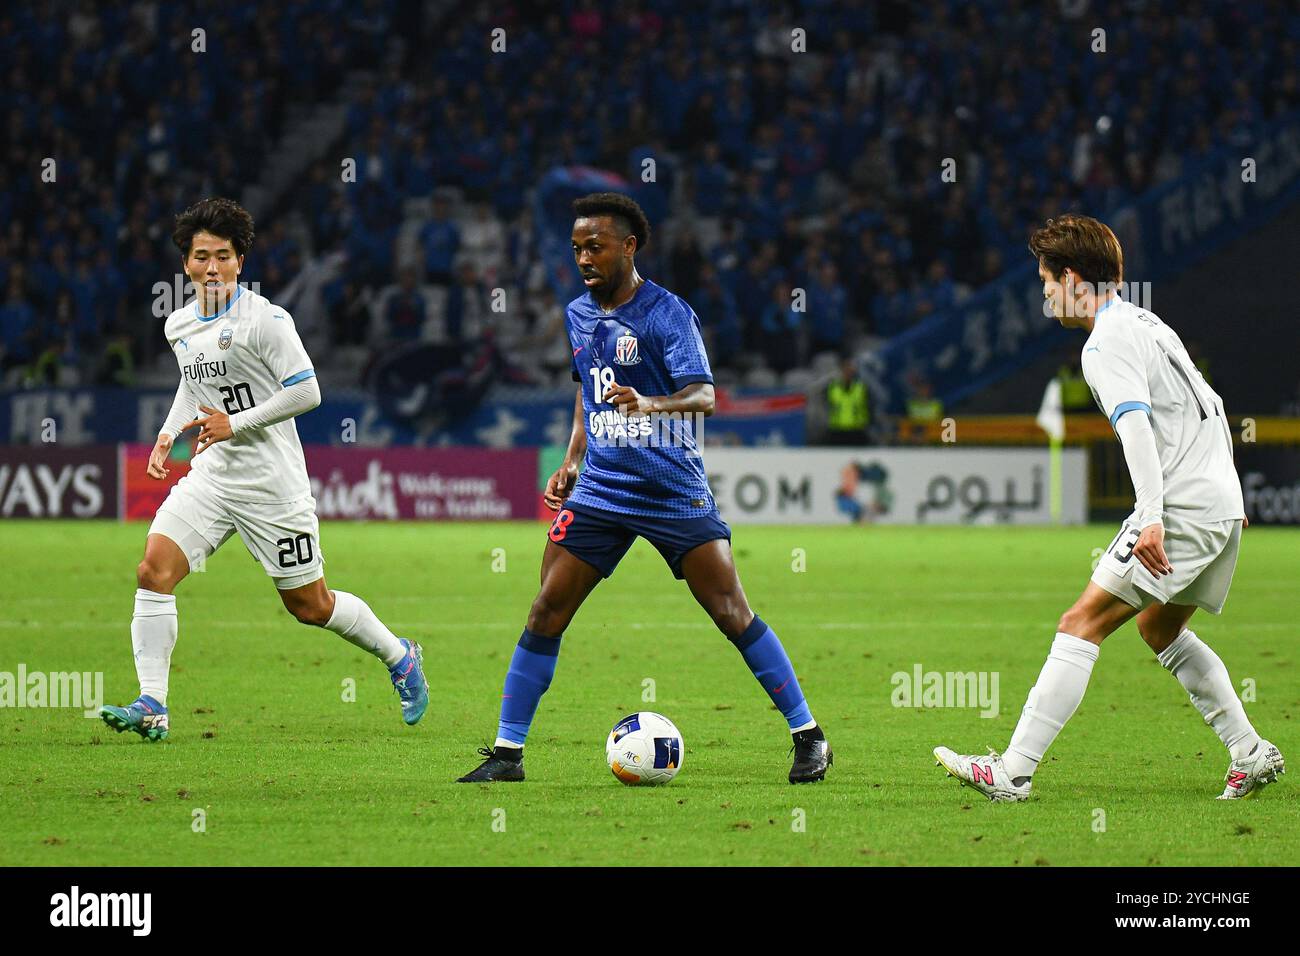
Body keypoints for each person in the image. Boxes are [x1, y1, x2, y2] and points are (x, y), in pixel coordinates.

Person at [457, 193, 831, 784]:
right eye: (577, 247)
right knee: (546, 608)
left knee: (730, 611)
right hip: (602, 489)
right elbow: (587, 389)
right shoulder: (578, 313)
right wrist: (573, 457)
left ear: (629, 247)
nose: (584, 257)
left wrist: (651, 403)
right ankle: (508, 755)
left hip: (671, 491)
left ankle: (809, 735)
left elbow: (704, 396)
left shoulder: (668, 315)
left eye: (596, 247)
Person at [935, 214, 1282, 801]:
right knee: (1157, 627)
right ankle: (1249, 750)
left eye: (1046, 281)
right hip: (1217, 504)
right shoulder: (1147, 323)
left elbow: (1137, 428)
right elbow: (1212, 403)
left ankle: (1012, 772)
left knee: (1080, 623)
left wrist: (1152, 517)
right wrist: (1228, 493)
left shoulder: (1104, 343)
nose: (1044, 294)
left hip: (1180, 508)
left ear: (1071, 277)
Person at [100, 198, 427, 742]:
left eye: (222, 256)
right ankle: (152, 704)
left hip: (273, 486)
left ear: (240, 261)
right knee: (153, 571)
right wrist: (167, 433)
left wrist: (238, 423)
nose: (211, 267)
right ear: (185, 264)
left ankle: (401, 657)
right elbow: (193, 383)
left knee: (309, 605)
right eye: (201, 256)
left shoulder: (267, 320)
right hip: (212, 478)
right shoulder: (179, 324)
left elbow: (308, 391)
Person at [825, 357, 870, 446]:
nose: (847, 372)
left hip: (857, 429)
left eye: (850, 369)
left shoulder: (861, 388)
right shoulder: (832, 388)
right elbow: (827, 407)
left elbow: (869, 407)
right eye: (845, 369)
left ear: (853, 371)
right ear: (841, 371)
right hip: (837, 429)